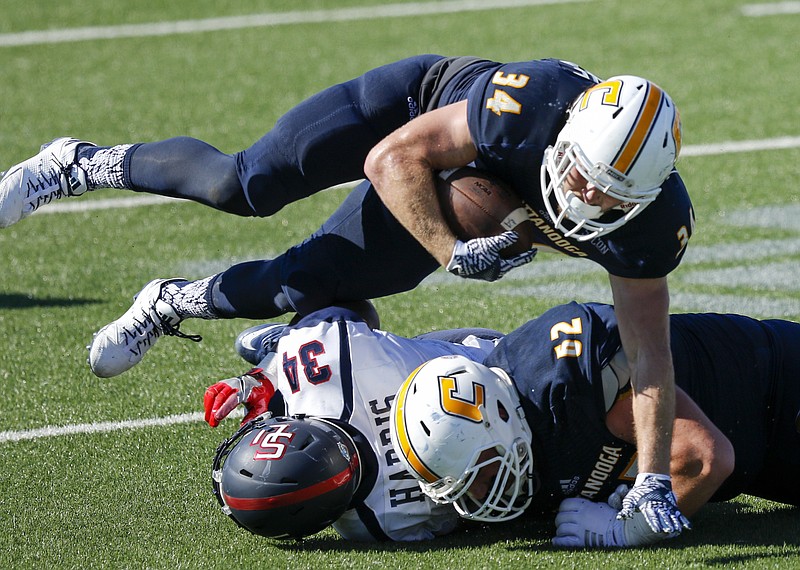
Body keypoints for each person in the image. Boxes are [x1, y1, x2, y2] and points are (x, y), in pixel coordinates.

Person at [0, 55, 692, 533]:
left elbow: (649, 353)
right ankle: (75, 163)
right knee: (242, 185)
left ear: (649, 192)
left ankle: (170, 301)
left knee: (302, 282)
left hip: (469, 202)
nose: (586, 196)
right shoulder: (527, 106)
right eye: (581, 175)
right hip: (414, 117)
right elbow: (393, 157)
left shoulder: (655, 226)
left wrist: (653, 480)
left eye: (610, 194)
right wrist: (452, 252)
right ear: (567, 138)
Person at [390, 301, 800, 547]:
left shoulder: (569, 385)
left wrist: (625, 532)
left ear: (500, 420)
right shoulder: (513, 428)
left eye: (479, 476)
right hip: (762, 458)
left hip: (780, 387)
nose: (478, 497)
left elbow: (701, 458)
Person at [204, 301, 503, 541]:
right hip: (485, 401)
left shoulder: (382, 526)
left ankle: (278, 353)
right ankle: (280, 349)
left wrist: (265, 376)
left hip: (483, 368)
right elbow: (356, 309)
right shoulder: (385, 524)